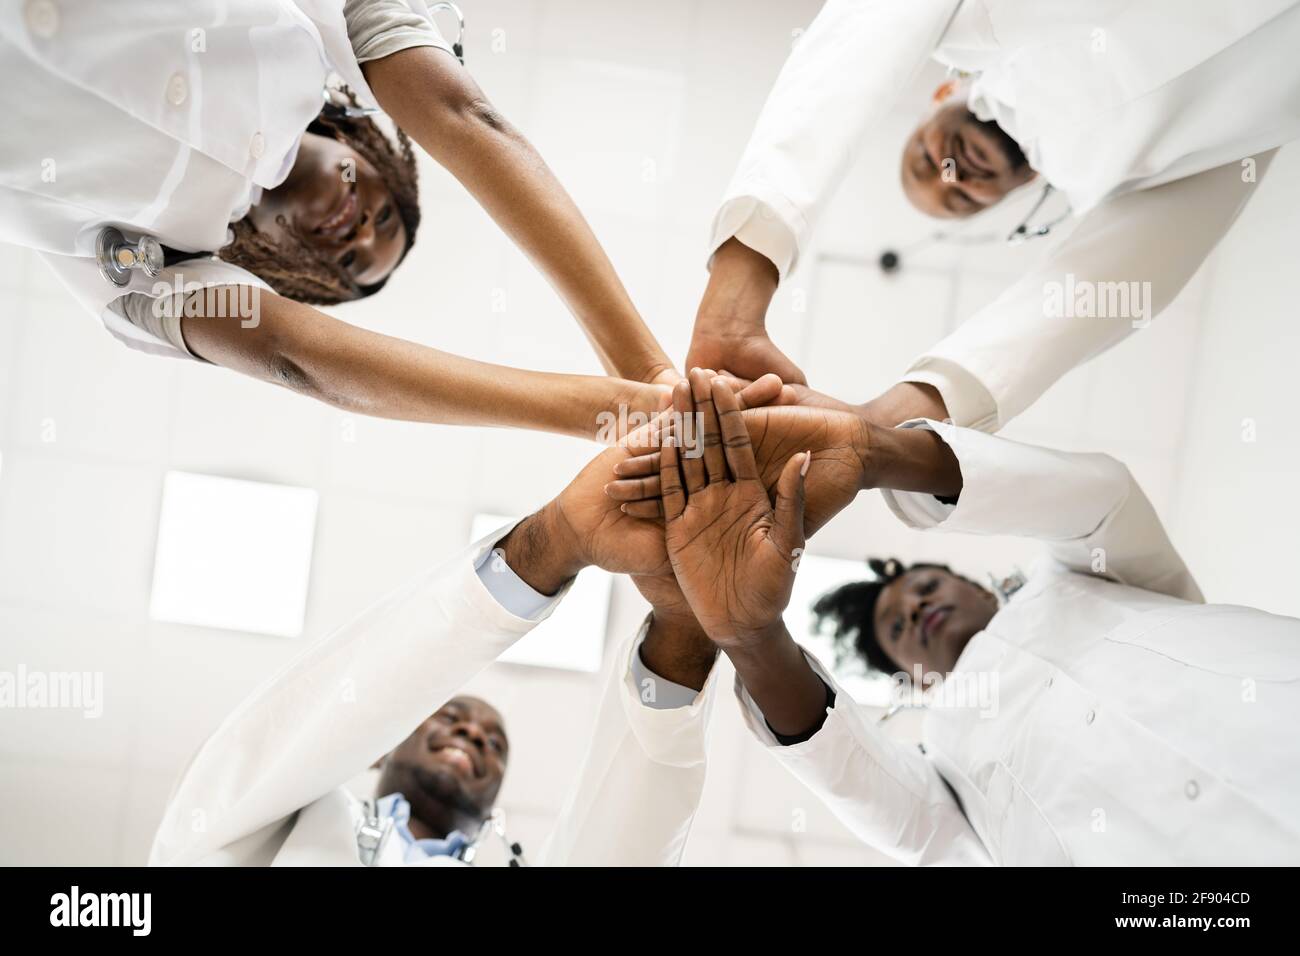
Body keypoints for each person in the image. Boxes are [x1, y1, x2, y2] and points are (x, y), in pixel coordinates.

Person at [641, 375, 1300, 865]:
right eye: (900, 630)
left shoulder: (1087, 575)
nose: (919, 607)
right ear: (912, 680)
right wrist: (751, 636)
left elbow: (1103, 497)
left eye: (925, 586)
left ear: (972, 581)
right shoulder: (944, 762)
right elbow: (861, 785)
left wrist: (874, 454)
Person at [1, 0, 681, 441]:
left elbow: (293, 356)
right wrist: (646, 375)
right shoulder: (317, 37)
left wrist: (615, 416)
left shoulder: (161, 264)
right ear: (372, 149)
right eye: (383, 214)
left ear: (290, 273)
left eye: (350, 263)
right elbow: (463, 117)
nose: (358, 232)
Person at [147, 393, 755, 865]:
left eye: (492, 744)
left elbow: (628, 842)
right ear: (382, 742)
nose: (473, 735)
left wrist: (687, 618)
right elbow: (282, 740)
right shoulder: (284, 821)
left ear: (495, 806)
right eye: (450, 718)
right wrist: (552, 543)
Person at [687, 0, 1300, 432]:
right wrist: (886, 423)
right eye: (957, 198)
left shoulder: (971, 22)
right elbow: (1097, 291)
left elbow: (867, 27)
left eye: (924, 156)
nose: (948, 171)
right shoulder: (1121, 187)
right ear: (1007, 200)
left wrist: (743, 276)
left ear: (938, 97)